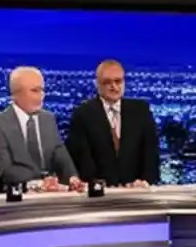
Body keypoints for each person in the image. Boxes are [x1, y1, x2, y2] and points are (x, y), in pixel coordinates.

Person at [0, 66, 83, 192]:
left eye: (42, 90)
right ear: (16, 94)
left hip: (50, 194)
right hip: (17, 197)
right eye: (35, 91)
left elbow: (60, 155)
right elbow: (3, 169)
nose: (41, 96)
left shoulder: (48, 119)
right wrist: (39, 183)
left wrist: (72, 178)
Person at [66, 59, 160, 187]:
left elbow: (151, 153)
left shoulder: (140, 111)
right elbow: (82, 158)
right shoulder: (83, 114)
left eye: (118, 81)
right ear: (97, 84)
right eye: (107, 82)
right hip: (98, 192)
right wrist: (95, 185)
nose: (114, 87)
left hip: (137, 190)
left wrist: (146, 181)